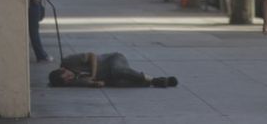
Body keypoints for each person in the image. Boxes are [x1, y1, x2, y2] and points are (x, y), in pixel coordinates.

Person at [48, 52, 177, 88]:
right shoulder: (69, 82)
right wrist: (95, 83)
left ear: (63, 69)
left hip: (112, 60)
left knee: (118, 71)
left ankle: (154, 79)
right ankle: (152, 82)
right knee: (121, 83)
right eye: (68, 80)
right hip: (107, 76)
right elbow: (88, 83)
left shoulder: (69, 61)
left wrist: (93, 75)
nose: (70, 78)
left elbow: (92, 55)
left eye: (67, 75)